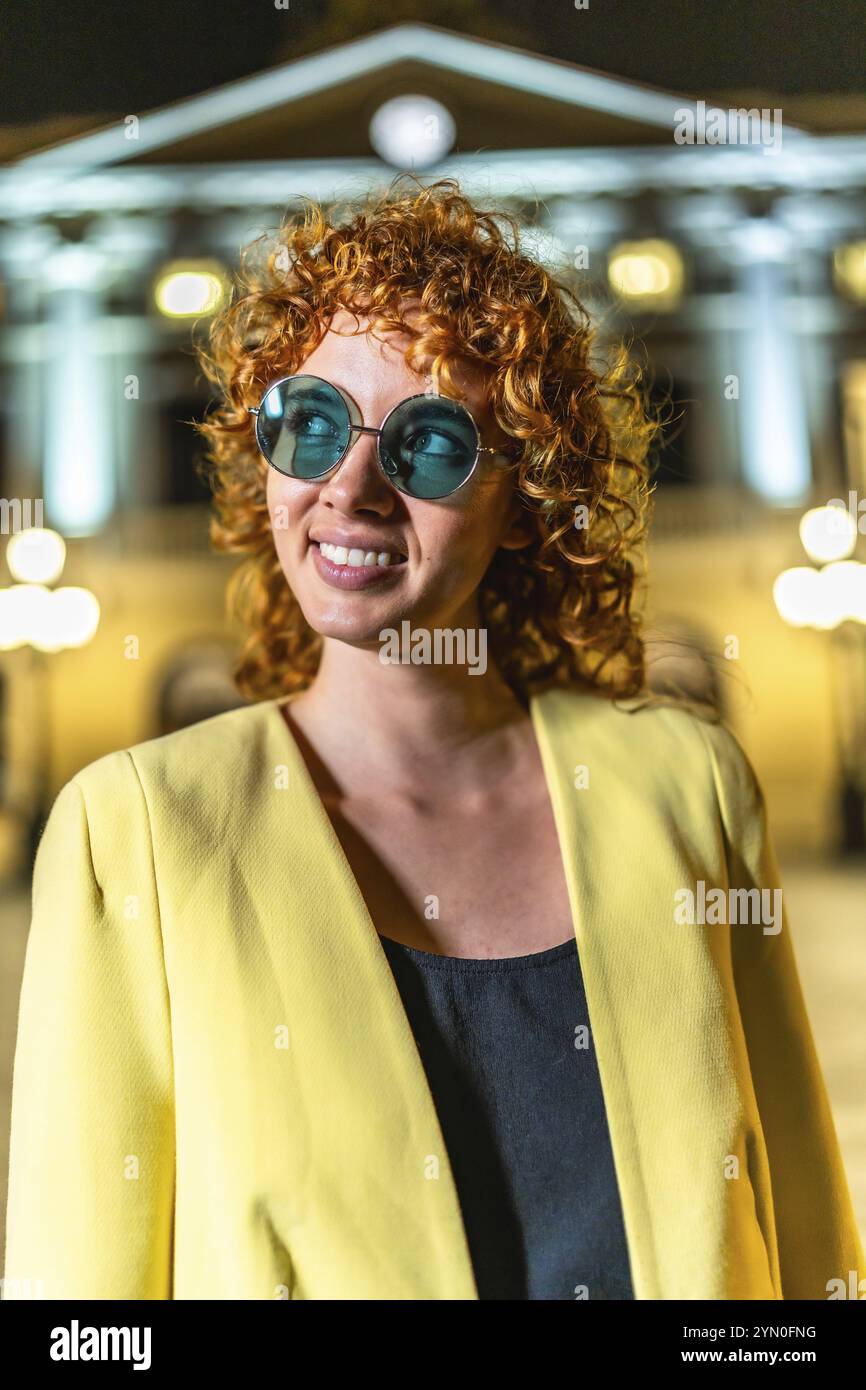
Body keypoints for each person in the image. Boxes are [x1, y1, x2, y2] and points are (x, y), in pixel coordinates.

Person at [4, 177, 862, 1301]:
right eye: (308, 423)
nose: (349, 489)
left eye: (432, 444)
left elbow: (804, 1257)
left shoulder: (684, 787)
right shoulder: (139, 832)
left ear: (529, 492)